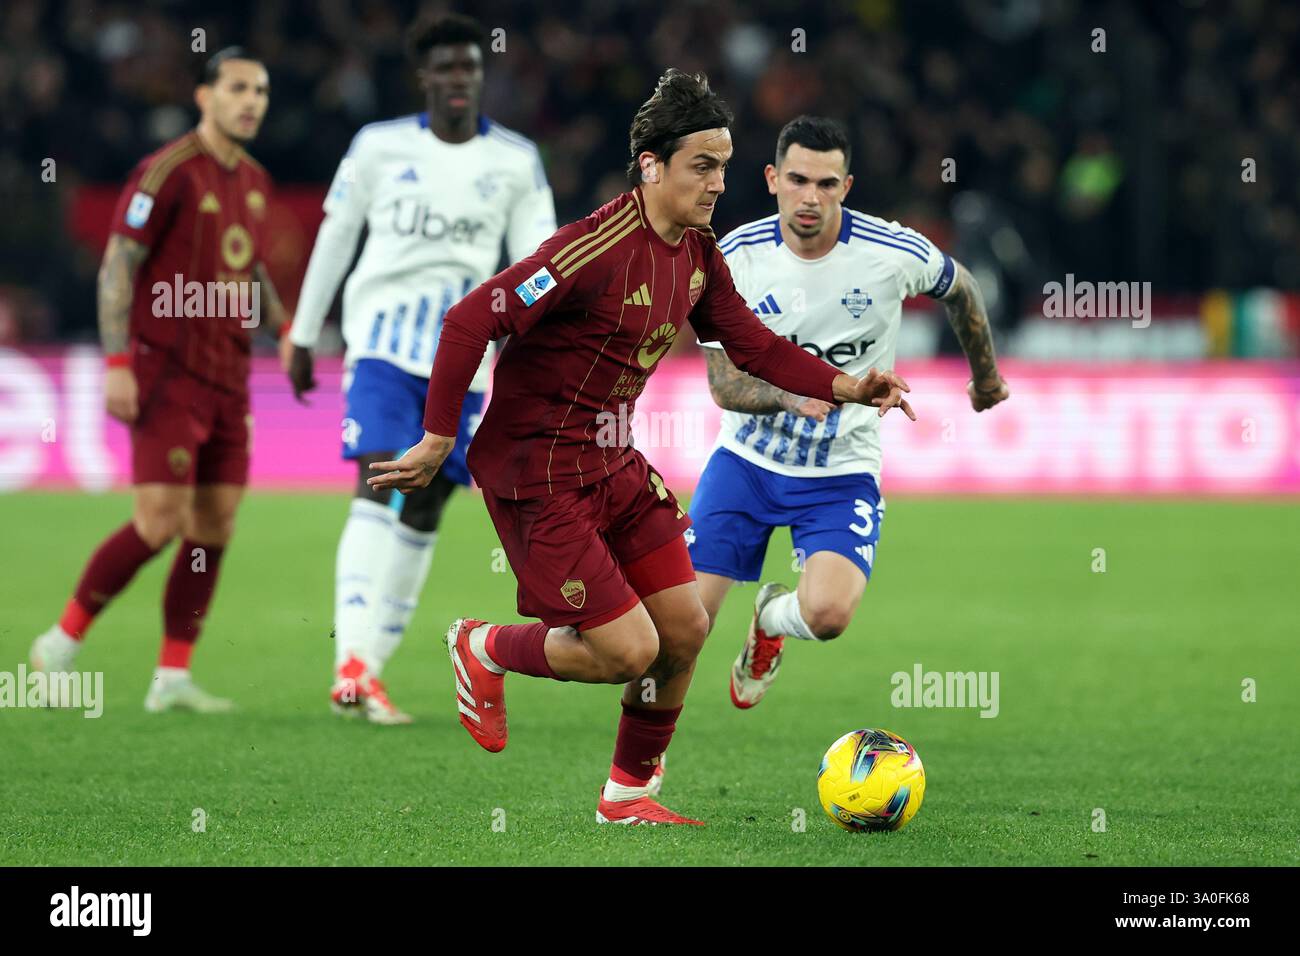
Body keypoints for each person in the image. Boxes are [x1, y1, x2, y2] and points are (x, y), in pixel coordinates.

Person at [368, 73, 914, 824]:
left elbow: (750, 343)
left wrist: (848, 386)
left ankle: (628, 795)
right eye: (703, 166)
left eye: (724, 166)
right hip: (540, 473)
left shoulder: (695, 252)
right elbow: (471, 320)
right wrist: (437, 436)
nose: (720, 183)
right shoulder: (590, 250)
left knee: (685, 628)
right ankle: (485, 646)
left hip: (613, 462)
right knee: (627, 651)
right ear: (652, 165)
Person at [286, 14, 556, 724]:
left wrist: (533, 349)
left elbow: (536, 268)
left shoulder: (515, 160)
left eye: (470, 66)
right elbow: (336, 234)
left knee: (429, 501)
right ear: (425, 78)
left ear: (480, 74)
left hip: (462, 361)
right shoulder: (377, 148)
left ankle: (368, 668)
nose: (460, 79)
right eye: (446, 68)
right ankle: (350, 661)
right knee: (379, 474)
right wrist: (303, 331)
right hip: (379, 342)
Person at [689, 115, 1009, 708]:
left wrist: (985, 378)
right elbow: (723, 385)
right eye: (798, 179)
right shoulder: (732, 257)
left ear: (847, 186)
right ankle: (635, 782)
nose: (811, 197)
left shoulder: (889, 252)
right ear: (771, 178)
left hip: (839, 470)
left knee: (829, 615)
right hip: (747, 463)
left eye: (827, 183)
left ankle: (771, 622)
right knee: (682, 630)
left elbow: (960, 286)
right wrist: (793, 395)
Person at [28, 48, 292, 712]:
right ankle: (59, 643)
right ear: (205, 96)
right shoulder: (167, 171)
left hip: (229, 376)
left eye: (259, 91)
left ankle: (171, 676)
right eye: (236, 88)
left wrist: (287, 330)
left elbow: (252, 270)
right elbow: (118, 267)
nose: (250, 101)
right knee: (159, 520)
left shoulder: (256, 180)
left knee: (216, 524)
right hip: (167, 372)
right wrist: (118, 365)